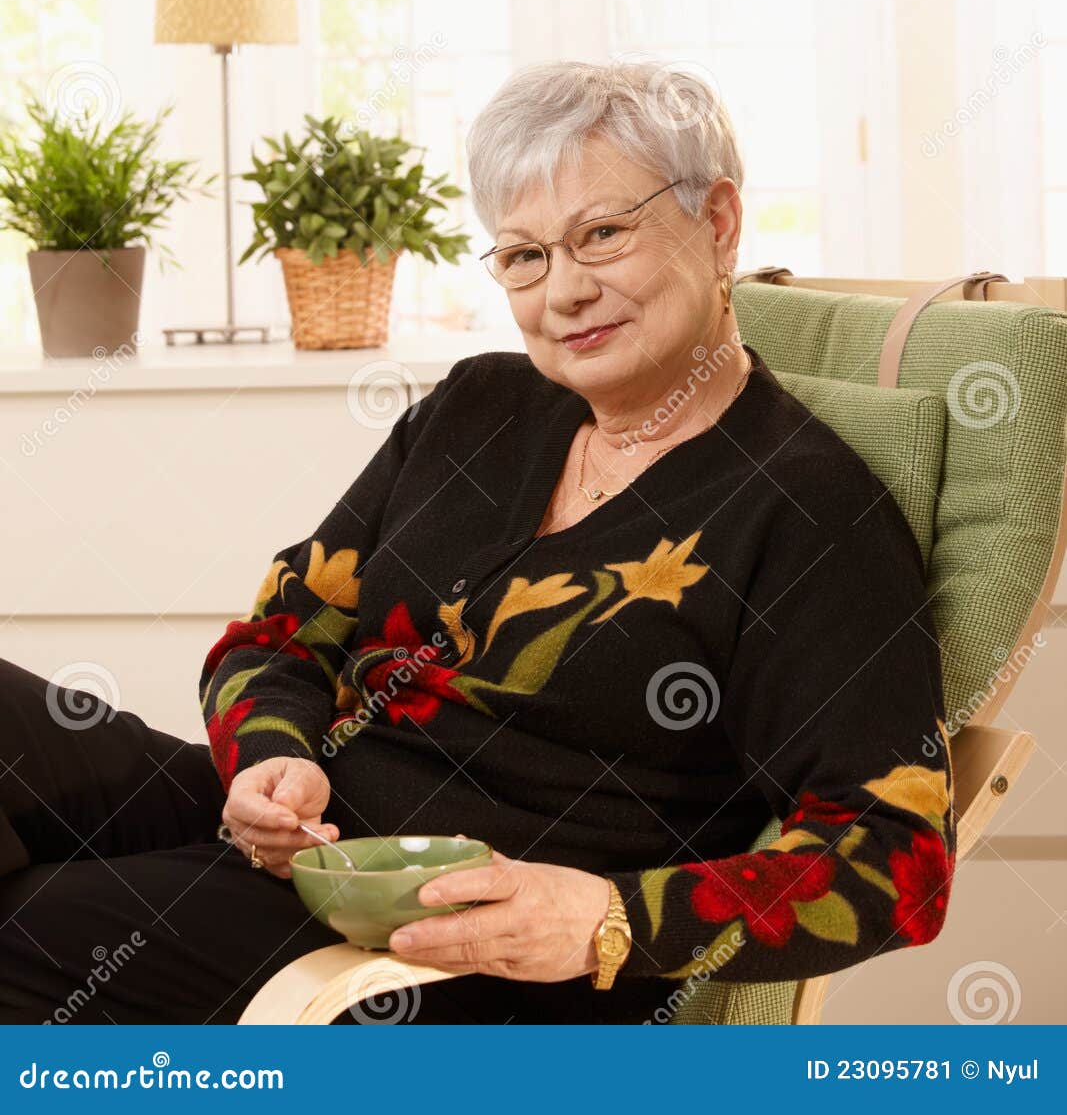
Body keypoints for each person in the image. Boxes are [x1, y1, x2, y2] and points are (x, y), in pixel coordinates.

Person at [0, 59, 955, 1025]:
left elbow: (893, 860)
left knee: (32, 931)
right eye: (524, 255)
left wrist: (600, 919)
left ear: (716, 223)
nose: (564, 291)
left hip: (458, 958)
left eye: (603, 234)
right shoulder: (480, 406)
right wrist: (268, 759)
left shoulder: (809, 511)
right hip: (311, 844)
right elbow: (279, 634)